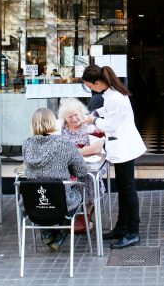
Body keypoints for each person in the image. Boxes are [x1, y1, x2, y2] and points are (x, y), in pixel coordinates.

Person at [82, 64, 146, 249]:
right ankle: (121, 227)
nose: (90, 89)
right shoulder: (110, 94)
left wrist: (92, 119)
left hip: (124, 147)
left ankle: (133, 232)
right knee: (124, 188)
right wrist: (94, 113)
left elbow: (110, 124)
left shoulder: (116, 97)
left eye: (89, 86)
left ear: (96, 82)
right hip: (120, 147)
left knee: (127, 189)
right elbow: (106, 112)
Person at [22, 107, 89, 251]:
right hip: (62, 204)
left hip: (33, 205)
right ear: (54, 122)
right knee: (78, 187)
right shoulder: (64, 144)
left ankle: (46, 232)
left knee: (42, 190)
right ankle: (60, 235)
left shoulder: (27, 144)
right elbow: (82, 171)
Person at [58, 97, 107, 231]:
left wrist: (75, 152)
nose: (74, 119)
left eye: (76, 115)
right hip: (67, 167)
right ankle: (67, 211)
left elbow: (97, 148)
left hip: (90, 166)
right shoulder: (61, 129)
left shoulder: (90, 126)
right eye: (69, 117)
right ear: (64, 118)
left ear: (82, 113)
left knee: (85, 176)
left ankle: (84, 214)